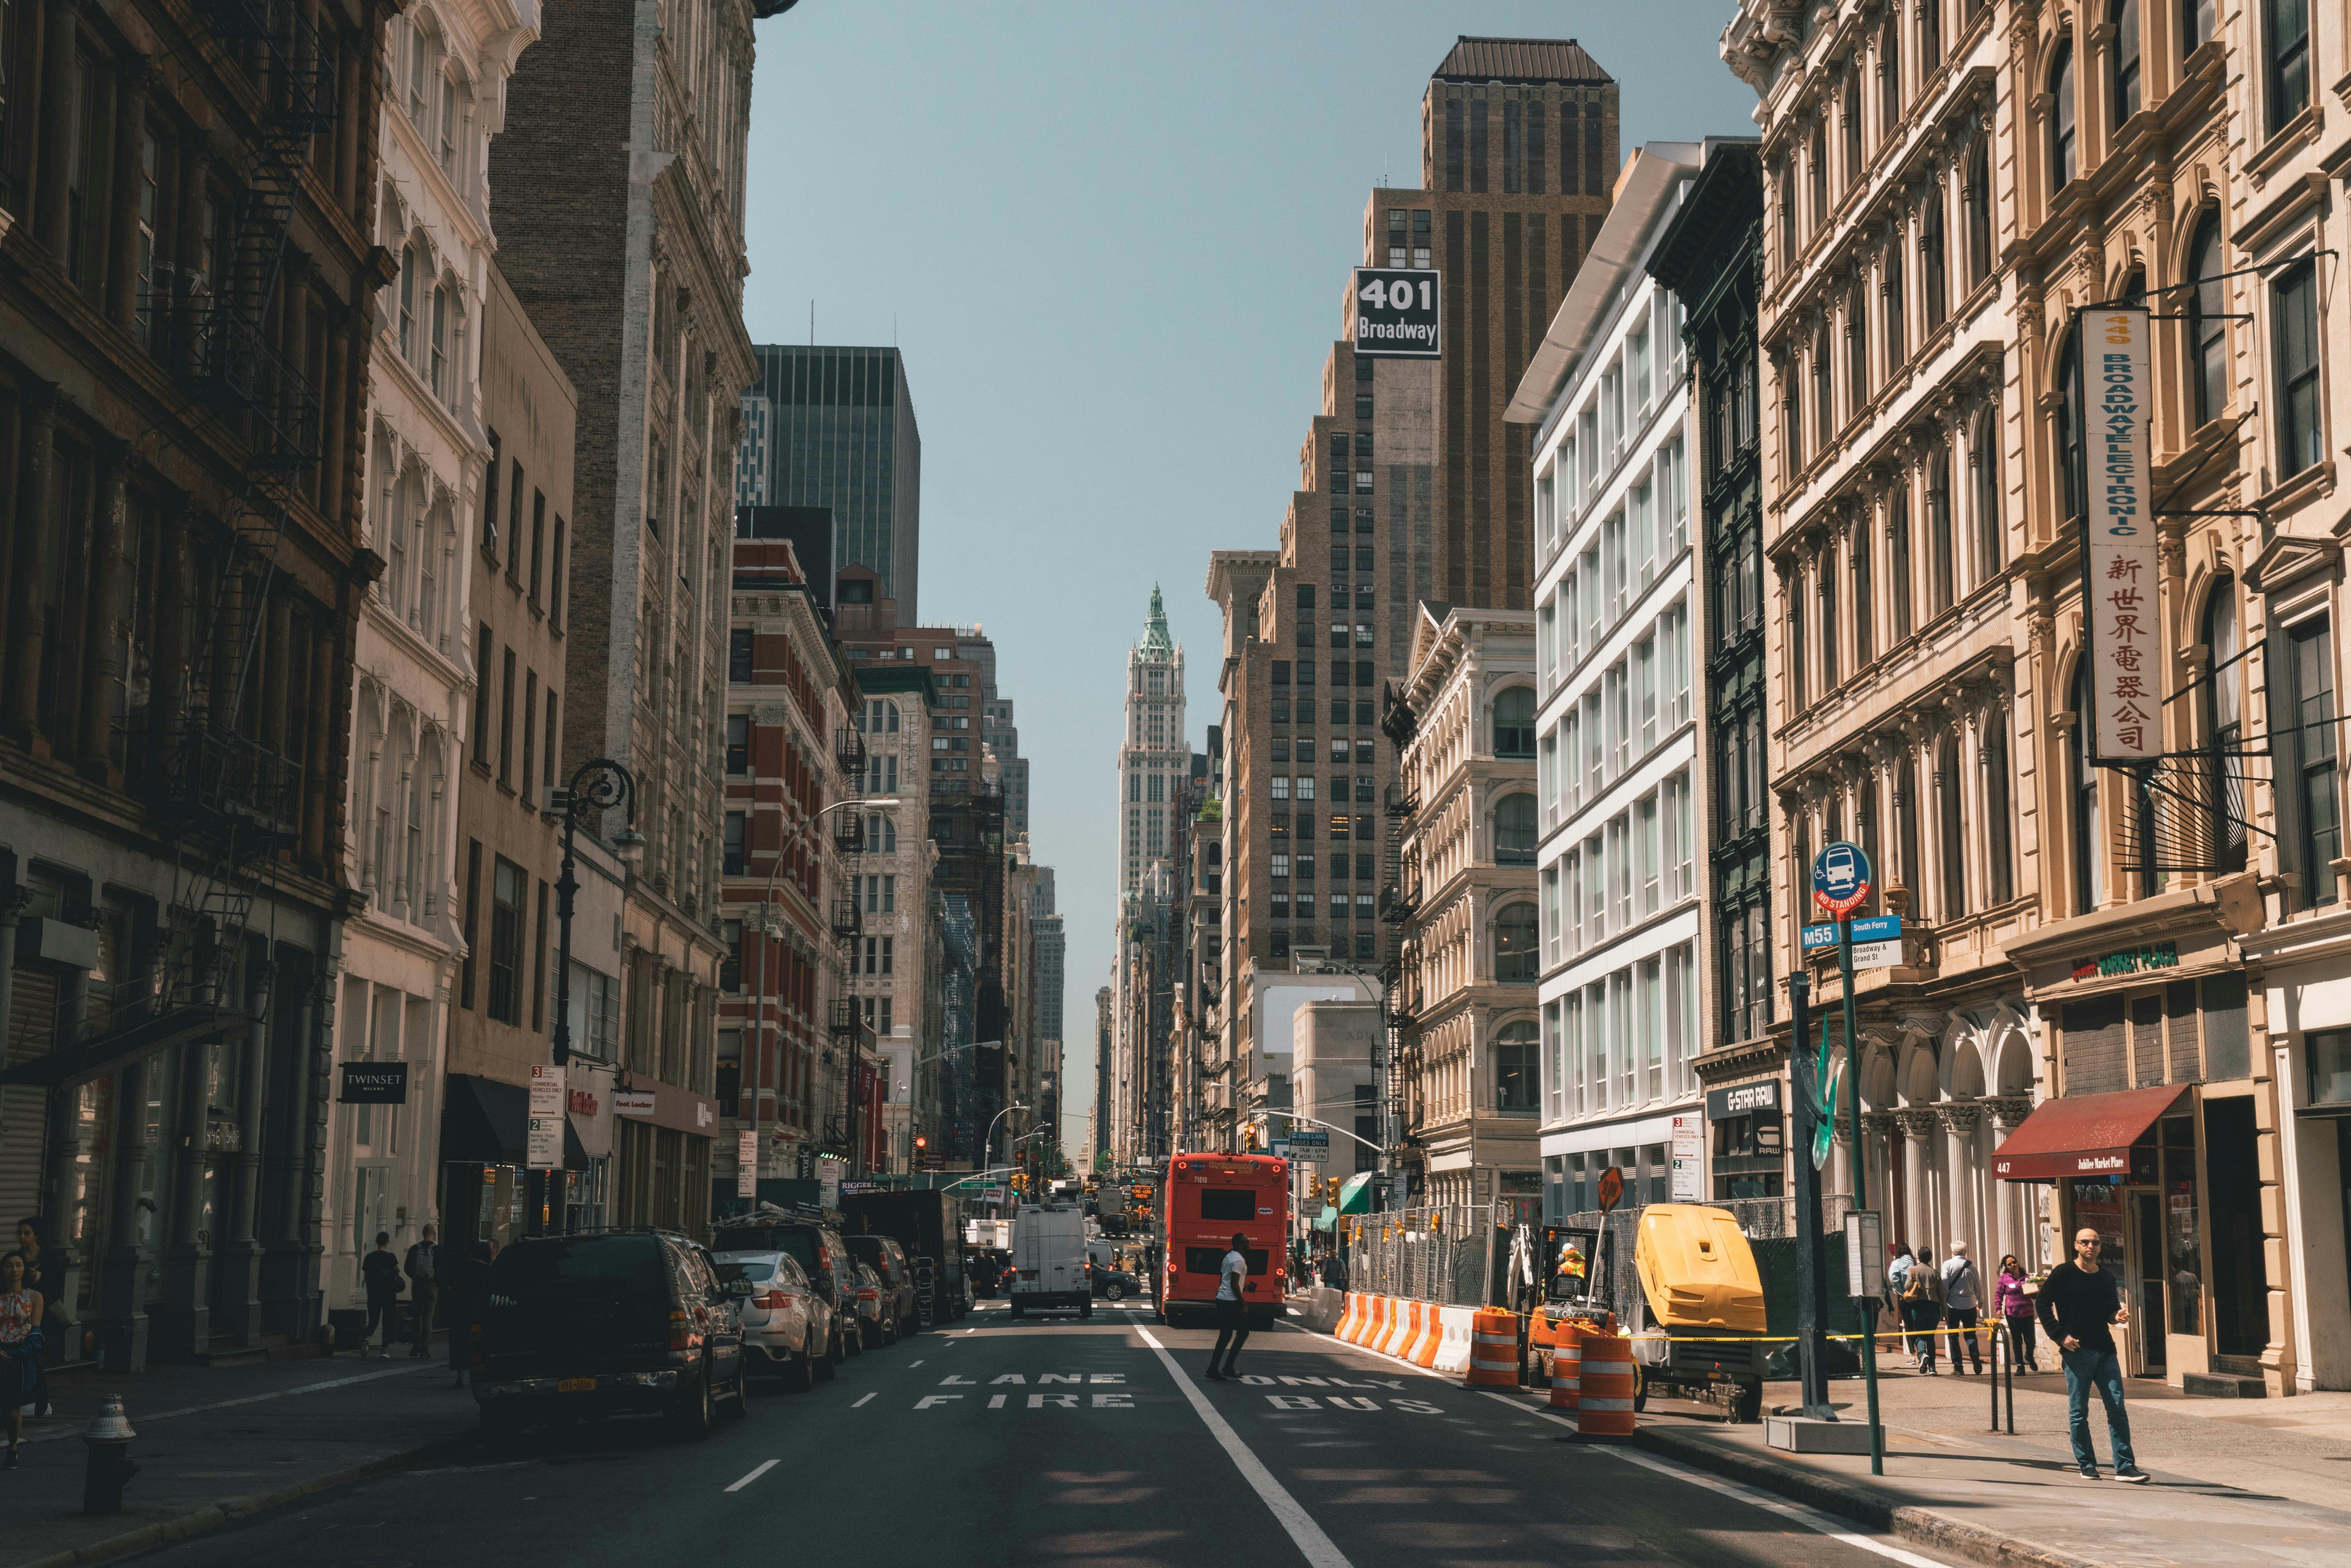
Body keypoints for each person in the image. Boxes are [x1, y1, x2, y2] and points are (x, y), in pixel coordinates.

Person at [2036, 1226, 2147, 1482]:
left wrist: (2116, 1316)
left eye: (2095, 1243)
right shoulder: (2063, 1273)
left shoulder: (2106, 1277)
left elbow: (2108, 1311)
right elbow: (2042, 1303)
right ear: (2076, 1245)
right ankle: (2087, 1465)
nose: (2091, 1246)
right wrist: (2060, 1335)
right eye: (2085, 1242)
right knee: (2079, 1412)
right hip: (2077, 1353)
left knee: (2117, 1408)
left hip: (2106, 1352)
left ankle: (2125, 1467)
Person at [0, 1254, 41, 1467]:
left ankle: (13, 1447)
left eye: (18, 1265)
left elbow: (35, 1329)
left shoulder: (34, 1297)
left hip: (20, 1354)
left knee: (13, 1409)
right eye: (9, 1266)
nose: (14, 1270)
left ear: (25, 1269)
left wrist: (23, 1352)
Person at [444, 1240, 494, 1386]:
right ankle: (477, 1374)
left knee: (460, 1341)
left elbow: (452, 1286)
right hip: (479, 1311)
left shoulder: (462, 1267)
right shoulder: (488, 1271)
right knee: (480, 1343)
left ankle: (460, 1376)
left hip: (461, 1310)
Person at [1203, 1232, 1251, 1382]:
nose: (1250, 1245)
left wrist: (1246, 1288)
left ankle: (1215, 1368)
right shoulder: (1239, 1260)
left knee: (1226, 1335)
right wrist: (1243, 1304)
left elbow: (1224, 1280)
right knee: (1243, 1332)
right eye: (1248, 1242)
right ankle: (1227, 1367)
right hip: (1231, 1301)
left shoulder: (1229, 1257)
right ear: (1241, 1245)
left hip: (1223, 1299)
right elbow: (1234, 1283)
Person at [1940, 1239, 1985, 1375]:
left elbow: (1944, 1286)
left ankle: (1958, 1367)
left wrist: (1943, 1306)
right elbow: (1978, 1286)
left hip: (1952, 1305)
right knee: (1970, 1334)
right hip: (1970, 1305)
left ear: (1953, 1252)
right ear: (1965, 1252)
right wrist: (1980, 1302)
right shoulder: (1972, 1266)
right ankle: (1974, 1352)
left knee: (1953, 1336)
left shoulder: (1947, 1265)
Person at [361, 1231, 404, 1359]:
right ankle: (384, 1350)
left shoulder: (369, 1257)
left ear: (377, 1242)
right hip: (389, 1294)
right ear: (387, 1242)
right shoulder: (391, 1257)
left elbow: (366, 1277)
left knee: (373, 1320)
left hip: (374, 1293)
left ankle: (367, 1338)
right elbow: (397, 1271)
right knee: (387, 1321)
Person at [1996, 1253, 2041, 1373]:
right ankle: (2020, 1366)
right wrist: (1999, 1308)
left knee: (2031, 1340)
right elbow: (1999, 1294)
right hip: (2013, 1314)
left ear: (2018, 1263)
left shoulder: (2027, 1277)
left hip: (2028, 1313)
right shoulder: (2004, 1278)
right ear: (2006, 1267)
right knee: (2017, 1341)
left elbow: (2034, 1296)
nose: (2013, 1265)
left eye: (2014, 1262)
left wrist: (2035, 1286)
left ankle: (2029, 1357)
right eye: (2009, 1264)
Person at [1904, 1246, 1946, 1372]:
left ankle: (1923, 1355)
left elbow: (1907, 1286)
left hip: (1919, 1306)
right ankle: (1932, 1367)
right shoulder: (1936, 1273)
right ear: (1930, 1258)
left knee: (1920, 1334)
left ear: (1919, 1258)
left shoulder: (1914, 1270)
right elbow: (1942, 1294)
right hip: (1934, 1307)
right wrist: (1945, 1312)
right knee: (1931, 1337)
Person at [403, 1226, 442, 1359]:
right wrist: (438, 1281)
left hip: (418, 1285)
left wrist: (415, 1277)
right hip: (432, 1286)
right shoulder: (437, 1249)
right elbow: (444, 1268)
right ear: (434, 1234)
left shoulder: (415, 1249)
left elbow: (407, 1268)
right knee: (428, 1317)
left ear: (423, 1233)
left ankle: (416, 1346)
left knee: (417, 1316)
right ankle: (425, 1349)